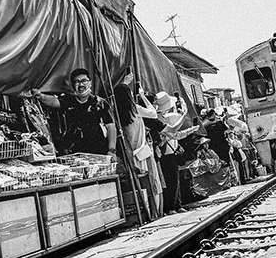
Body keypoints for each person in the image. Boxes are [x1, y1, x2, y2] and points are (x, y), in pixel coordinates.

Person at [31, 68, 117, 159]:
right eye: (77, 82)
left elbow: (111, 127)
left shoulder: (100, 103)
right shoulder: (68, 100)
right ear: (72, 85)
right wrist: (41, 96)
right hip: (73, 152)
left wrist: (111, 150)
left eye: (84, 81)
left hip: (97, 151)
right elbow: (53, 101)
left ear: (90, 83)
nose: (81, 84)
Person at [112, 82, 163, 220]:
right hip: (143, 152)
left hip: (129, 155)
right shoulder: (135, 109)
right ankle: (155, 214)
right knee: (153, 184)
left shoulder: (115, 113)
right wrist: (142, 95)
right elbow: (153, 114)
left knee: (139, 186)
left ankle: (143, 214)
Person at [153, 91, 198, 214]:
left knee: (175, 181)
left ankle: (177, 205)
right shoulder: (158, 120)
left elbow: (175, 135)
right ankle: (171, 207)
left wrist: (190, 130)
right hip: (166, 155)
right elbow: (174, 134)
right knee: (170, 182)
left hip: (171, 153)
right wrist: (184, 116)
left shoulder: (164, 118)